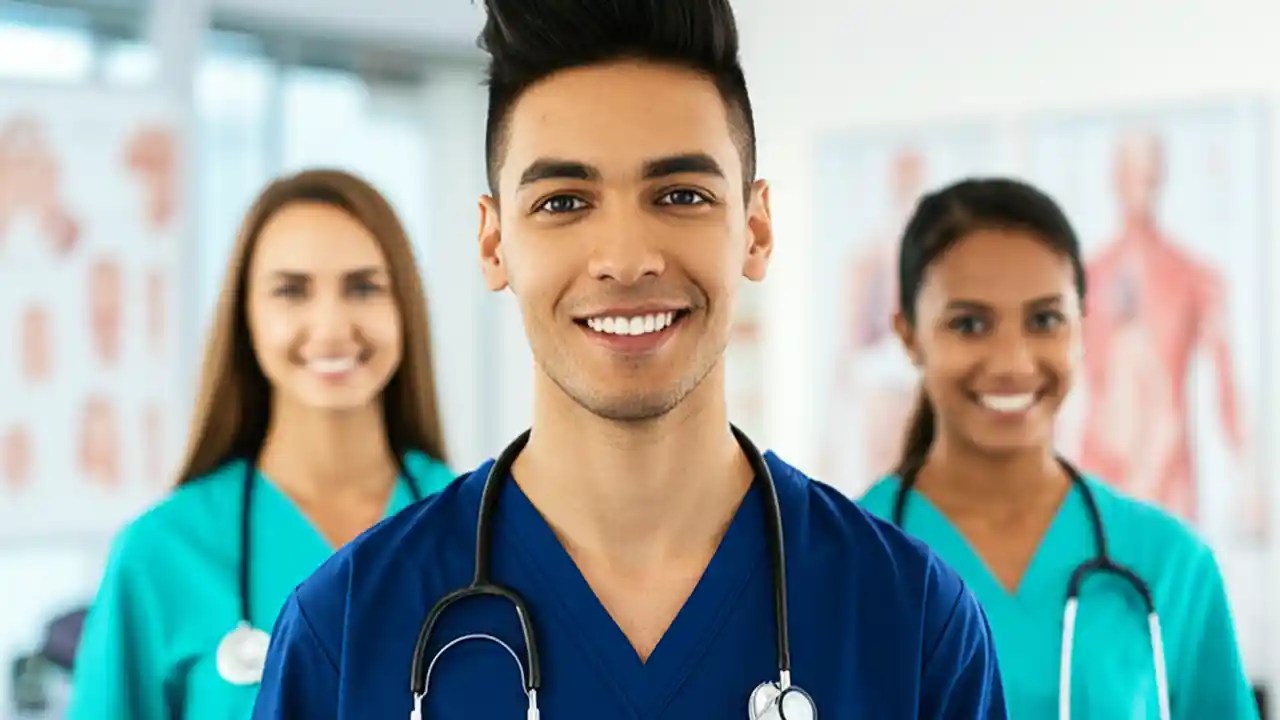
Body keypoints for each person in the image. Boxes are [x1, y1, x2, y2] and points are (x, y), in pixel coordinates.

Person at [251, 2, 1006, 718]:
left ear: (756, 228)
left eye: (679, 195)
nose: (625, 258)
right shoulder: (346, 629)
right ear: (493, 241)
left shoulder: (908, 620)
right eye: (563, 203)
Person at [858, 177, 1258, 718]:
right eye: (969, 324)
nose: (1012, 363)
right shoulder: (841, 562)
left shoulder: (1170, 565)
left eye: (1045, 320)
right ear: (908, 335)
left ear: (1081, 328)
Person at [66, 168, 456, 720]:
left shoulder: (481, 529)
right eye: (291, 291)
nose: (330, 326)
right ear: (245, 317)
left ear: (405, 309)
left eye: (364, 286)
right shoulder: (161, 552)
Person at [1078, 130, 1249, 525]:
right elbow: (1064, 388)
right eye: (1132, 173)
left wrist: (1248, 477)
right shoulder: (1087, 279)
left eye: (1148, 175)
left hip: (1169, 478)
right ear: (1114, 177)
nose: (1140, 187)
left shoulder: (1195, 278)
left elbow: (1226, 387)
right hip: (1102, 475)